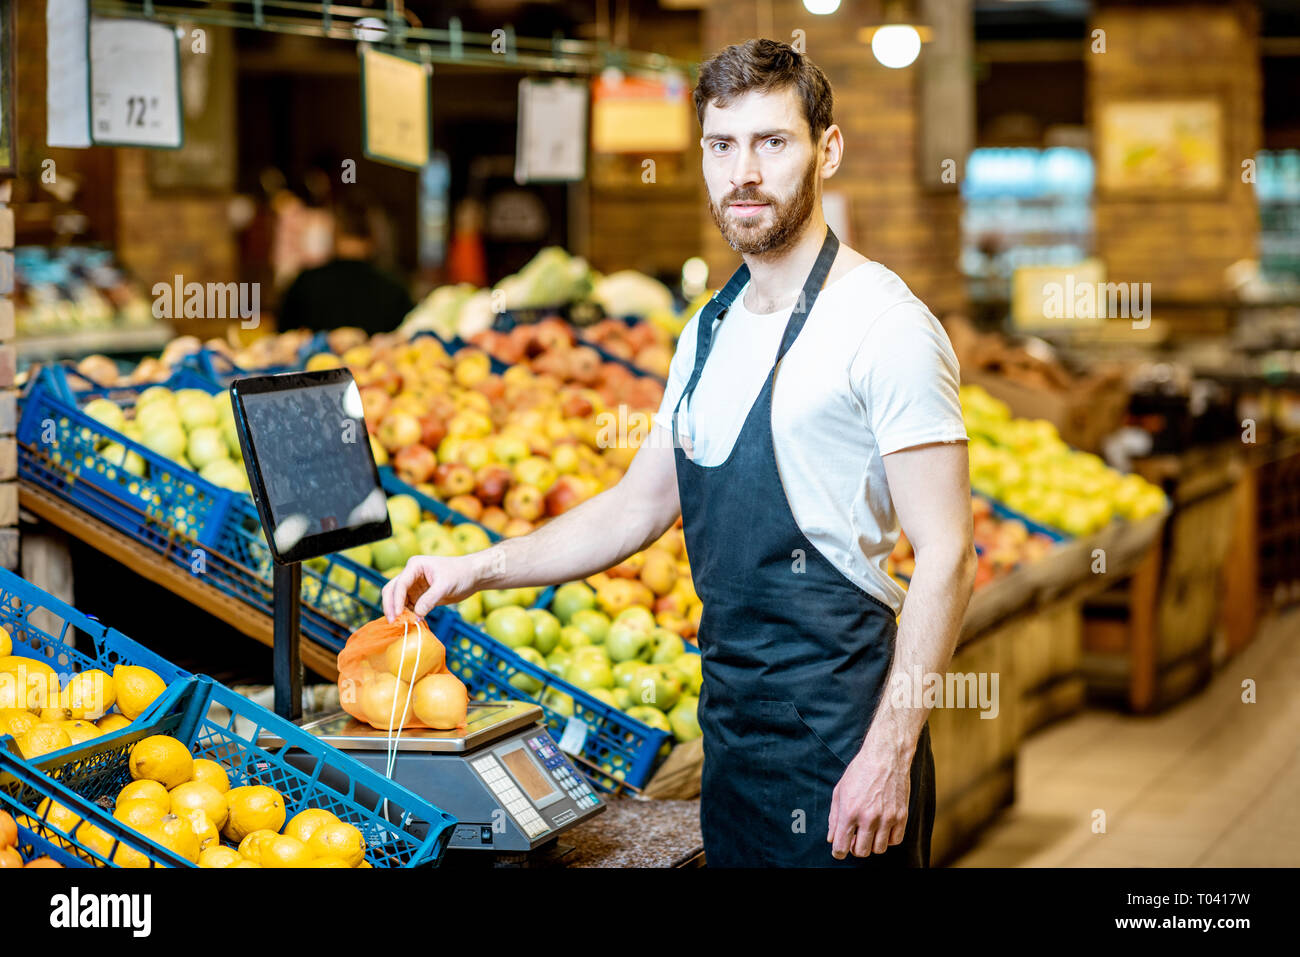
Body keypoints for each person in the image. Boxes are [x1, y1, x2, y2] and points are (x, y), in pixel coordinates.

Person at [383, 39, 976, 868]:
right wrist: (474, 568)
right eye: (721, 145)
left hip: (844, 749)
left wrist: (889, 755)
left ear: (827, 149)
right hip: (732, 748)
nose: (745, 172)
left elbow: (950, 555)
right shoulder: (707, 331)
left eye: (773, 142)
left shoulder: (887, 327)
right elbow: (635, 507)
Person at [277, 196, 414, 336]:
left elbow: (282, 340)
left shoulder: (304, 283)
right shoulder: (395, 287)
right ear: (373, 236)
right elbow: (408, 341)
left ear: (334, 231)